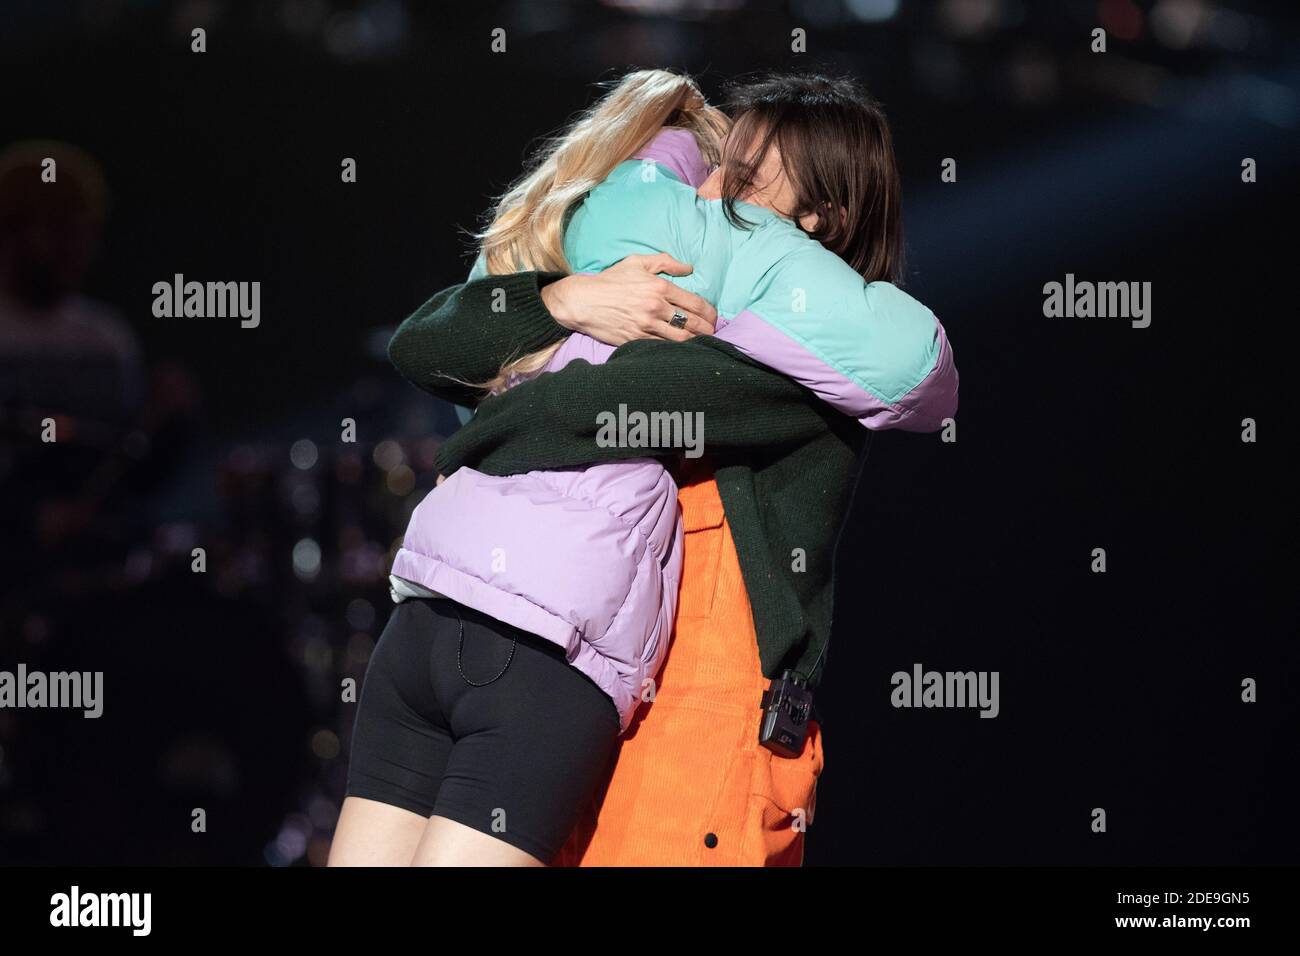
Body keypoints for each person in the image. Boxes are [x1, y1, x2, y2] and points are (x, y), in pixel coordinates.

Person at [330, 70, 957, 867]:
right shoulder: (648, 296)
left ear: (816, 220)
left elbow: (580, 412)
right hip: (592, 677)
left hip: (697, 728)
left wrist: (493, 419)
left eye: (743, 182)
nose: (705, 196)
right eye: (715, 165)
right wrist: (564, 301)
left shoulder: (796, 376)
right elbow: (427, 343)